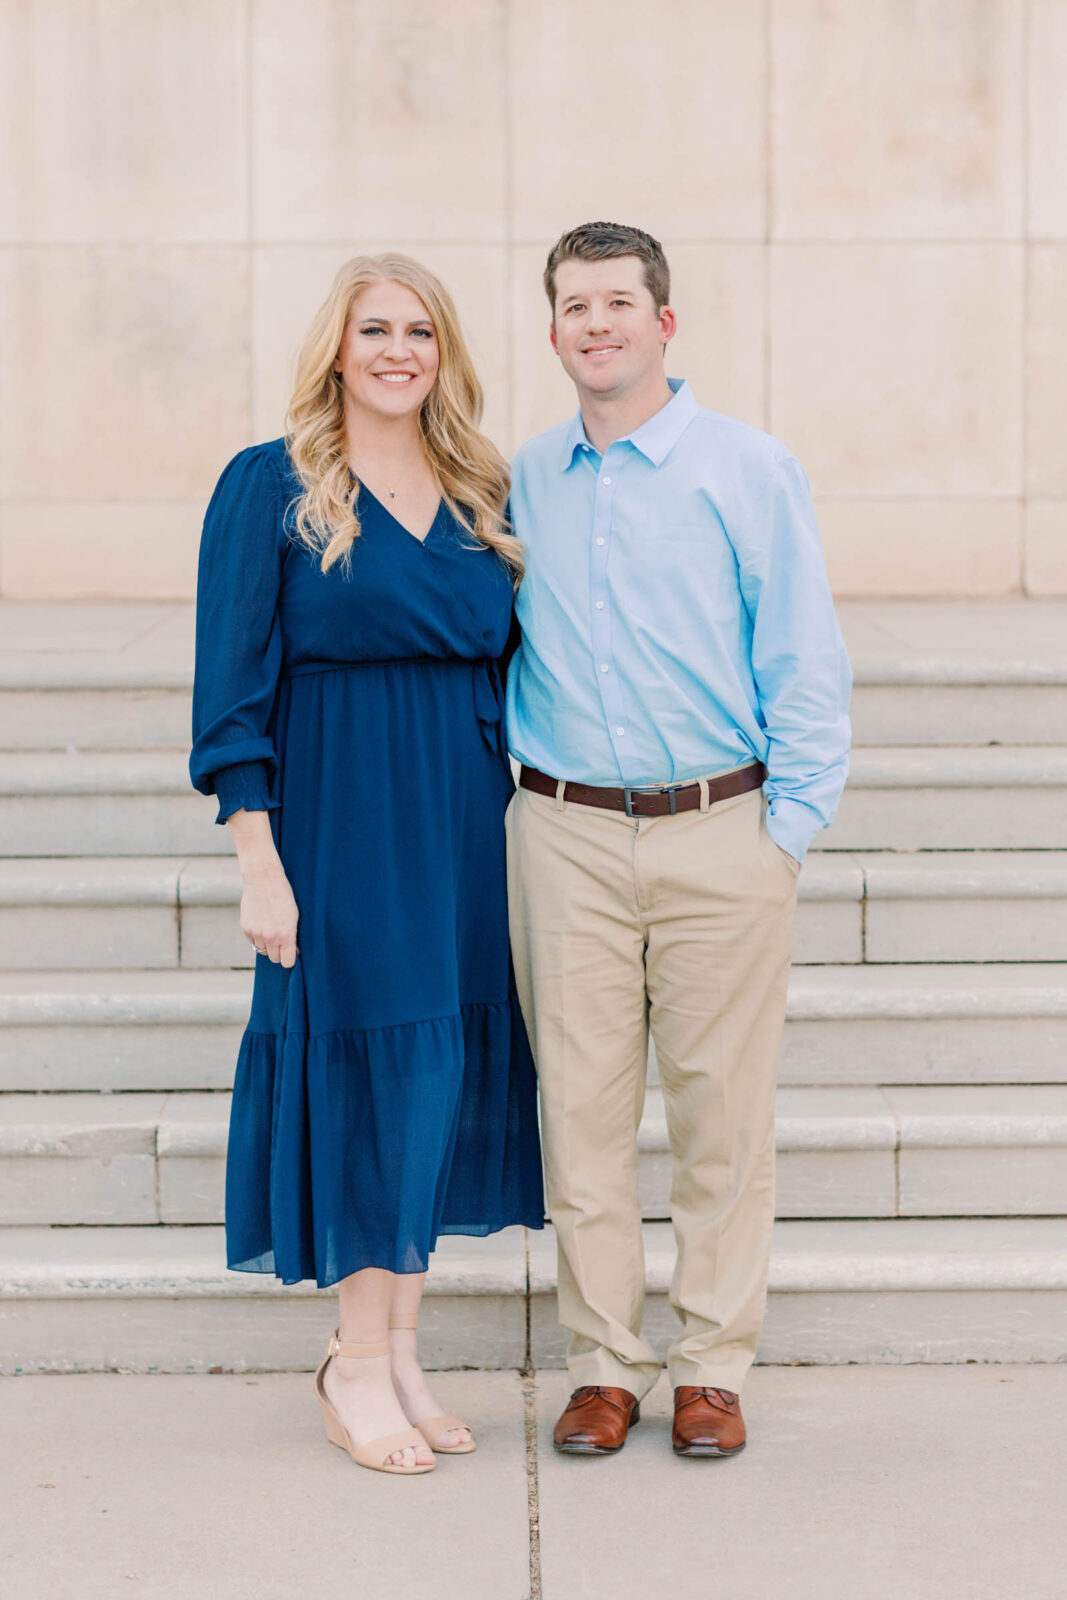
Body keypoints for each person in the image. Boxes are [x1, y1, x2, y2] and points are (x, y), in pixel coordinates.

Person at [190, 253, 544, 1476]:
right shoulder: (272, 484)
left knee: (434, 1072)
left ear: (445, 354)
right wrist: (258, 857)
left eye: (420, 332)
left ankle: (399, 1351)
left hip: (460, 819)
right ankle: (351, 1360)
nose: (398, 351)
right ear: (336, 351)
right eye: (375, 330)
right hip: (339, 815)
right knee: (367, 1071)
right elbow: (230, 688)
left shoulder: (479, 485)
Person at [505, 221, 851, 1459]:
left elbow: (802, 656)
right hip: (563, 835)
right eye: (573, 305)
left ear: (662, 322)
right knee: (579, 1119)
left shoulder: (747, 467)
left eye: (616, 302)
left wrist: (784, 832)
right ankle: (603, 1367)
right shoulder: (524, 477)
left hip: (720, 832)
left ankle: (710, 1367)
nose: (594, 323)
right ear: (552, 331)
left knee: (721, 1118)